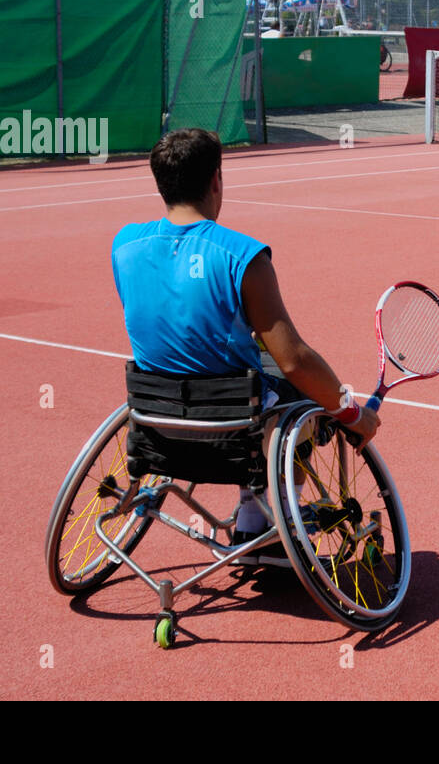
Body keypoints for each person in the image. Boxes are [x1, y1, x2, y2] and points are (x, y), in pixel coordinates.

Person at [111, 129, 380, 565]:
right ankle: (268, 520)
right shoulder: (244, 257)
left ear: (160, 183)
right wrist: (350, 412)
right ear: (216, 180)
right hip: (233, 434)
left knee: (256, 369)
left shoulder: (124, 245)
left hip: (156, 425)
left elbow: (167, 320)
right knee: (299, 392)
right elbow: (294, 360)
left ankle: (253, 520)